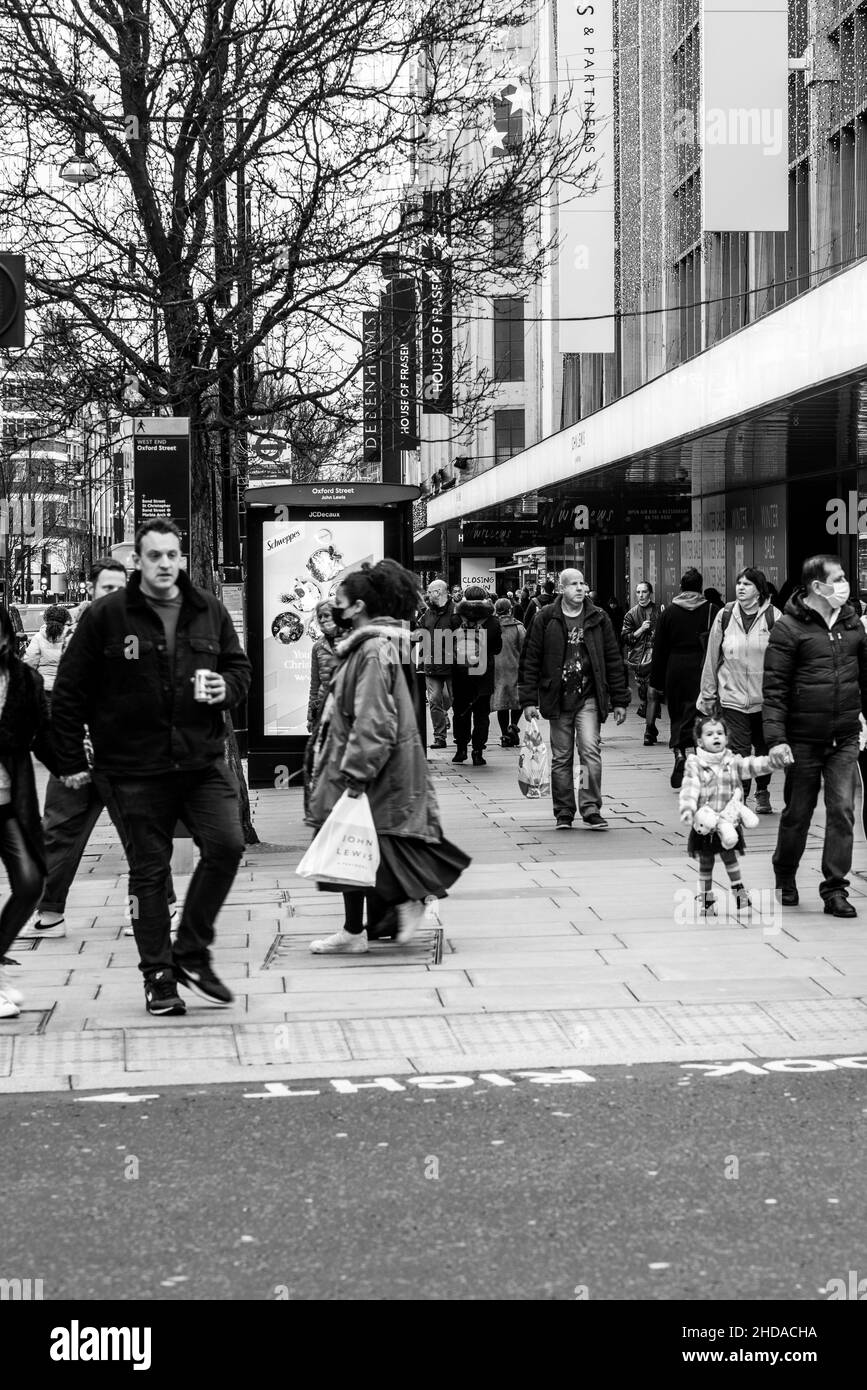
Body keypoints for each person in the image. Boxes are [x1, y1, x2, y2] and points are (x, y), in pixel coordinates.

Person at [50, 519, 252, 1015]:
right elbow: (71, 691)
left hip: (201, 759)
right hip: (133, 768)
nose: (165, 564)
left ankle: (191, 949)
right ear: (137, 562)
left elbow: (238, 668)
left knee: (226, 846)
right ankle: (158, 974)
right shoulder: (106, 616)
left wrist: (225, 688)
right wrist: (70, 759)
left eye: (172, 555)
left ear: (181, 558)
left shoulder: (208, 609)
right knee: (149, 870)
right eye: (155, 555)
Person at [305, 559, 471, 954]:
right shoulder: (372, 647)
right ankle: (357, 928)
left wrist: (356, 774)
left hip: (372, 769)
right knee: (354, 845)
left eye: (341, 601)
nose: (335, 607)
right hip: (370, 765)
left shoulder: (373, 651)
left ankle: (407, 902)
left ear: (359, 606)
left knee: (370, 844)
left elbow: (373, 718)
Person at [20, 558, 180, 942]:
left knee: (139, 837)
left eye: (120, 587)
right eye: (107, 587)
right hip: (80, 755)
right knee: (58, 831)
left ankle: (159, 911)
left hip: (127, 757)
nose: (115, 594)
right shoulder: (79, 635)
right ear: (91, 591)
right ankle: (48, 911)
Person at [762, 553, 867, 917]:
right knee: (798, 813)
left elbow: (863, 678)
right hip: (803, 739)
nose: (844, 584)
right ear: (816, 586)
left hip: (845, 737)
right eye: (837, 578)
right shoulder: (788, 629)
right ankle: (785, 873)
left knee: (842, 810)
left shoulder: (853, 624)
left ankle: (835, 889)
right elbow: (774, 689)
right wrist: (776, 739)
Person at [519, 568, 629, 830]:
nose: (580, 588)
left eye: (583, 583)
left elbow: (613, 659)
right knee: (562, 757)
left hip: (589, 696)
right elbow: (530, 659)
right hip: (557, 697)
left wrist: (620, 699)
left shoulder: (598, 617)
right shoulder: (546, 618)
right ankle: (564, 811)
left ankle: (590, 807)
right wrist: (528, 700)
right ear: (562, 588)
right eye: (574, 584)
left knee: (590, 752)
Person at [0, 605, 57, 1018]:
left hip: (9, 804)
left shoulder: (24, 681)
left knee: (30, 882)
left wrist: (73, 768)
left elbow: (44, 735)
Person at [697, 567, 781, 814]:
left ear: (759, 590)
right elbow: (712, 658)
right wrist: (707, 694)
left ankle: (762, 790)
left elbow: (785, 659)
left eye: (748, 584)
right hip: (732, 697)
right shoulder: (725, 615)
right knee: (740, 750)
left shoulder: (774, 617)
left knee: (763, 749)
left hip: (765, 699)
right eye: (739, 583)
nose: (741, 588)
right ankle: (740, 796)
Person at [678, 714, 774, 918]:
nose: (716, 737)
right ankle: (706, 899)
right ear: (699, 741)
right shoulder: (695, 764)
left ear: (726, 738)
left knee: (730, 858)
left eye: (720, 733)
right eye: (710, 734)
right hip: (707, 823)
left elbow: (752, 765)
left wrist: (771, 762)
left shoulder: (732, 761)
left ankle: (740, 896)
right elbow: (689, 788)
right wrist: (687, 808)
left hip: (729, 820)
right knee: (706, 862)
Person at [649, 568, 714, 790]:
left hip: (675, 668)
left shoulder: (668, 613)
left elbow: (659, 649)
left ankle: (679, 753)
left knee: (677, 714)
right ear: (701, 586)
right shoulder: (712, 610)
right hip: (702, 668)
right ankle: (699, 757)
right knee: (699, 714)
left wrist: (655, 682)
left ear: (681, 587)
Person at [451, 585, 503, 765]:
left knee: (460, 711)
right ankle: (478, 751)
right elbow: (497, 648)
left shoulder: (456, 619)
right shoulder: (493, 622)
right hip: (483, 674)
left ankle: (461, 749)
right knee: (481, 714)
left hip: (461, 673)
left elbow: (448, 646)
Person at [411, 578, 461, 750]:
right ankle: (439, 736)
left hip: (452, 664)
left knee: (457, 700)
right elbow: (418, 631)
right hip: (431, 664)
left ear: (439, 592)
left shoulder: (456, 612)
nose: (428, 594)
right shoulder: (428, 614)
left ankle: (460, 736)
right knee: (434, 700)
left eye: (430, 591)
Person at [621, 580, 663, 746]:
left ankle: (648, 730)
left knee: (653, 694)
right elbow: (626, 638)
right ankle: (651, 728)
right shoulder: (631, 614)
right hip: (639, 661)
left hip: (657, 659)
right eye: (638, 592)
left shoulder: (659, 611)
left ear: (650, 593)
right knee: (645, 695)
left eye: (644, 592)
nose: (641, 595)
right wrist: (640, 630)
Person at [491, 597, 525, 747]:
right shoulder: (518, 627)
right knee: (518, 701)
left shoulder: (492, 626)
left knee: (502, 703)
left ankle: (505, 735)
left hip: (497, 669)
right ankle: (514, 726)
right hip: (515, 667)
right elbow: (526, 649)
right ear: (510, 609)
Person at [22, 604, 71, 702]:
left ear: (45, 618)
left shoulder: (38, 638)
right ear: (65, 619)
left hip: (45, 688)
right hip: (67, 688)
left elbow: (30, 663)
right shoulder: (72, 637)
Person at [307, 599, 339, 732]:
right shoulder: (318, 647)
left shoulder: (350, 640)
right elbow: (315, 683)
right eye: (320, 616)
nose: (323, 619)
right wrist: (310, 716)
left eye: (327, 615)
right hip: (323, 707)